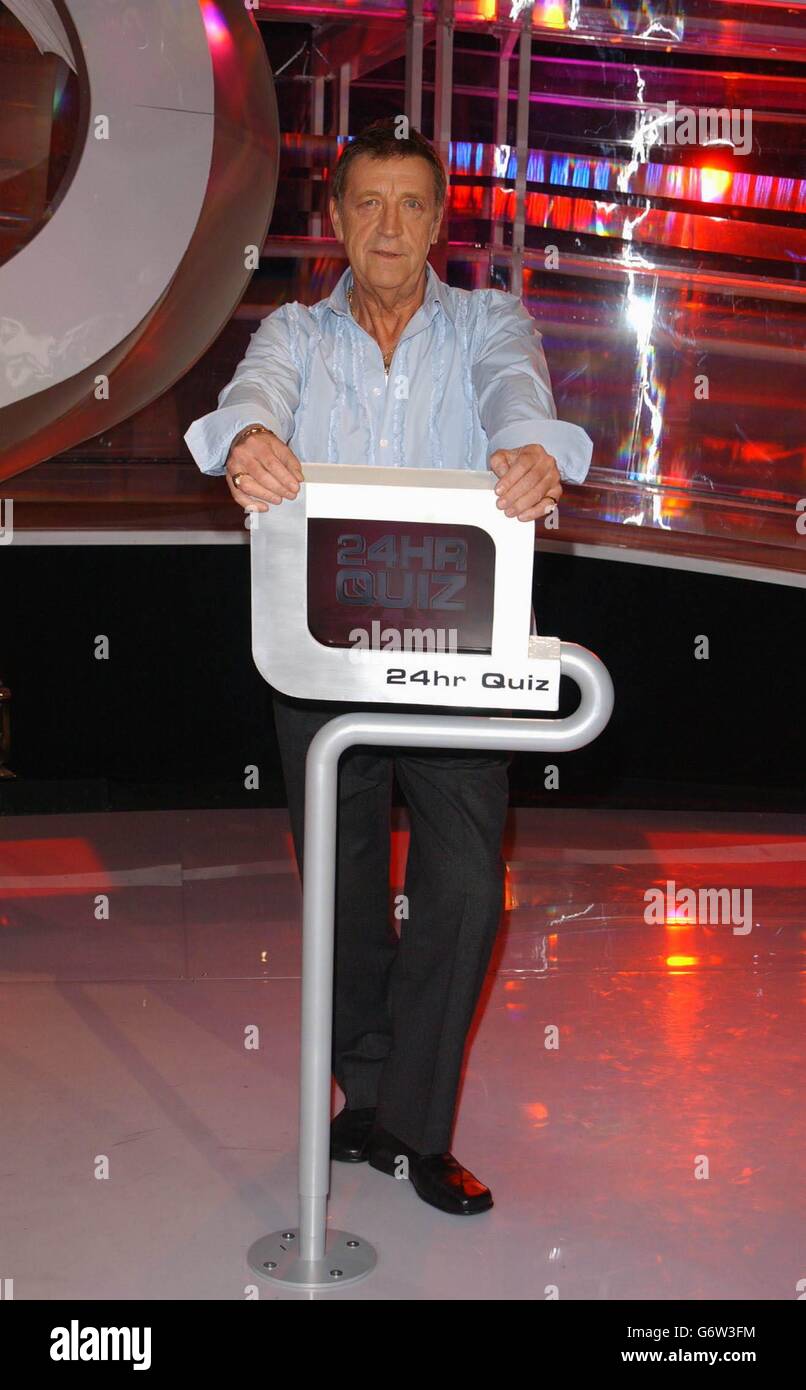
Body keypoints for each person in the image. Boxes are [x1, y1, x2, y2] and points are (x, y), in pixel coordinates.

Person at [185, 117, 592, 1215]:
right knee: (345, 896)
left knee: (460, 888)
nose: (388, 226)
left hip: (456, 659)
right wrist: (247, 444)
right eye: (367, 202)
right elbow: (244, 402)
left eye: (411, 204)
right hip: (321, 662)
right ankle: (361, 1100)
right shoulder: (296, 333)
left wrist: (527, 452)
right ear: (334, 218)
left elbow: (519, 395)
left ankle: (414, 1129)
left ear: (439, 222)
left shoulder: (487, 321)